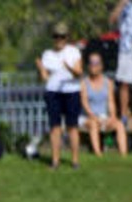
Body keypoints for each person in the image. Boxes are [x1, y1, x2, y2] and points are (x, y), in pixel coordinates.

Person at [38, 22, 83, 170]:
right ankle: (55, 161)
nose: (59, 40)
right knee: (55, 127)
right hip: (53, 92)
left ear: (67, 37)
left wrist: (69, 68)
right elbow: (44, 77)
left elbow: (79, 73)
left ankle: (75, 161)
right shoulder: (47, 54)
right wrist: (41, 69)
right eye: (57, 36)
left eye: (62, 37)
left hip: (71, 92)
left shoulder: (74, 52)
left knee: (72, 127)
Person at [80, 53, 128, 157]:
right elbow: (84, 103)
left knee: (119, 125)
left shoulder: (108, 82)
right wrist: (93, 116)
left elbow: (111, 101)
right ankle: (98, 154)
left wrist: (113, 116)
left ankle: (123, 155)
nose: (94, 66)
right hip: (87, 117)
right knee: (93, 124)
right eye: (91, 63)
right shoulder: (84, 83)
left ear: (101, 66)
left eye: (96, 63)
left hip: (103, 116)